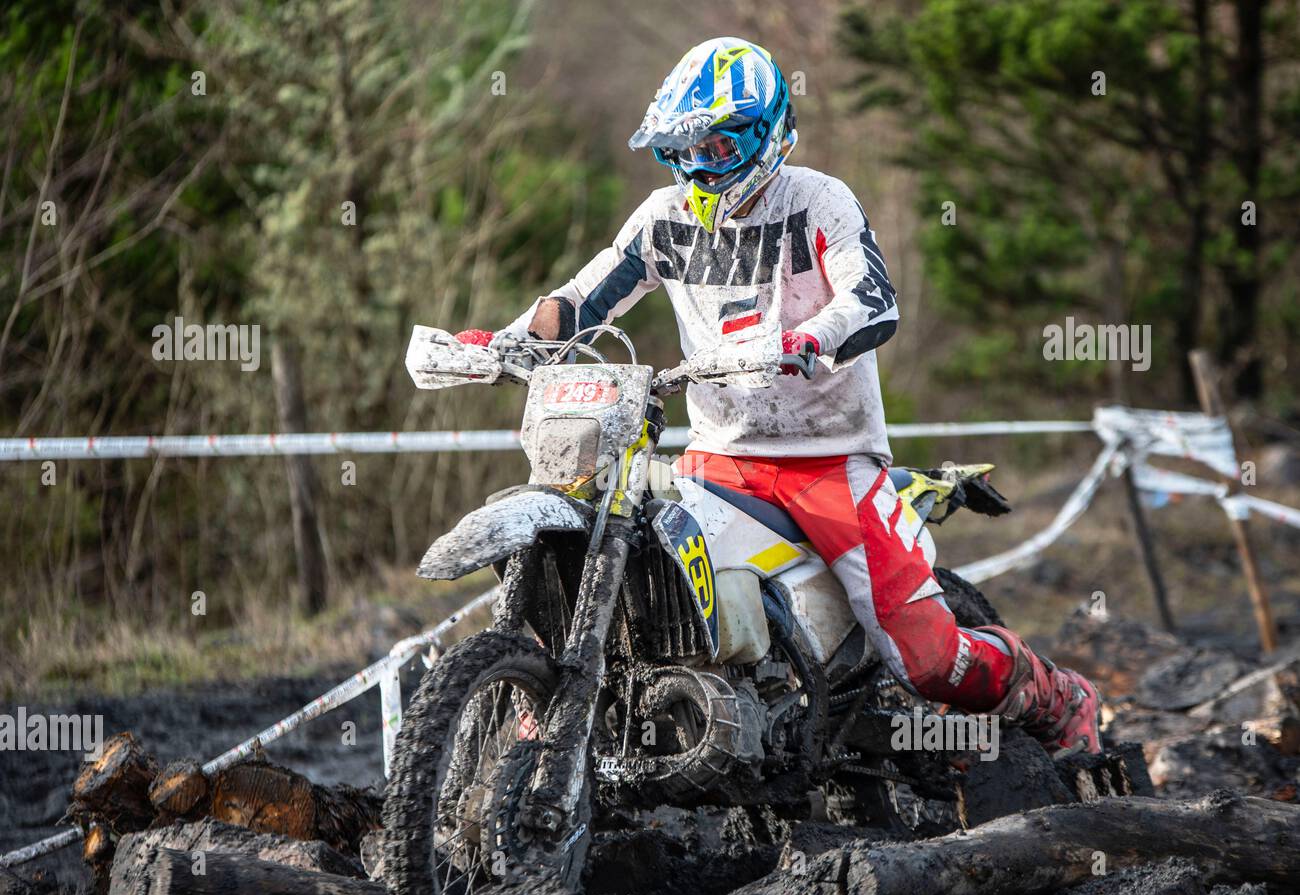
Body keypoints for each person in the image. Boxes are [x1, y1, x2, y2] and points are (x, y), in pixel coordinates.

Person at [454, 38, 1100, 757]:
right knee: (637, 573)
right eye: (682, 147)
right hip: (718, 462)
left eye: (719, 143)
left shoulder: (818, 200)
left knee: (923, 658)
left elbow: (874, 299)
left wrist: (809, 339)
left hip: (832, 461)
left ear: (769, 132)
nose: (699, 163)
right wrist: (497, 345)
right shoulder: (664, 217)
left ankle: (1052, 690)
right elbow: (580, 302)